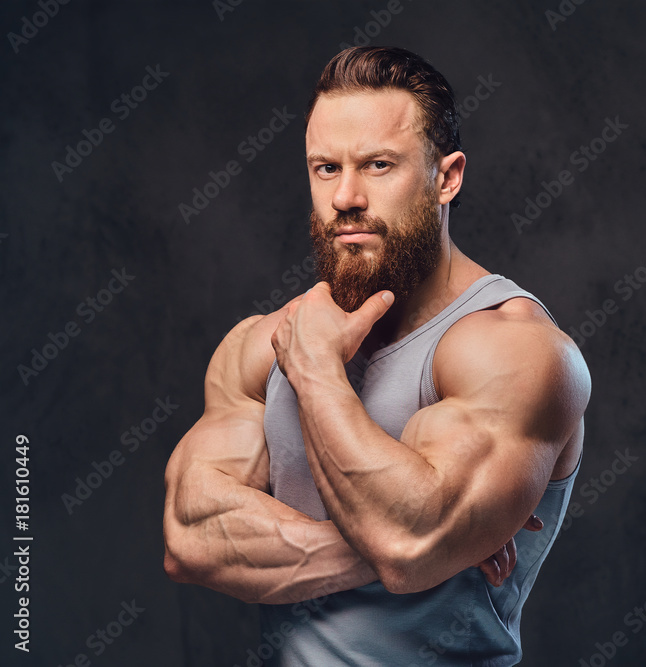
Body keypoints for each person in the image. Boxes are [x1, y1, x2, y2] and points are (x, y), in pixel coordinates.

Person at [162, 46, 590, 666]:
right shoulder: (263, 342)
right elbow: (190, 538)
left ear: (447, 177)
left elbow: (406, 543)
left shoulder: (514, 349)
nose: (346, 197)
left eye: (379, 165)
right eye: (326, 168)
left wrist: (314, 370)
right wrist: (425, 547)